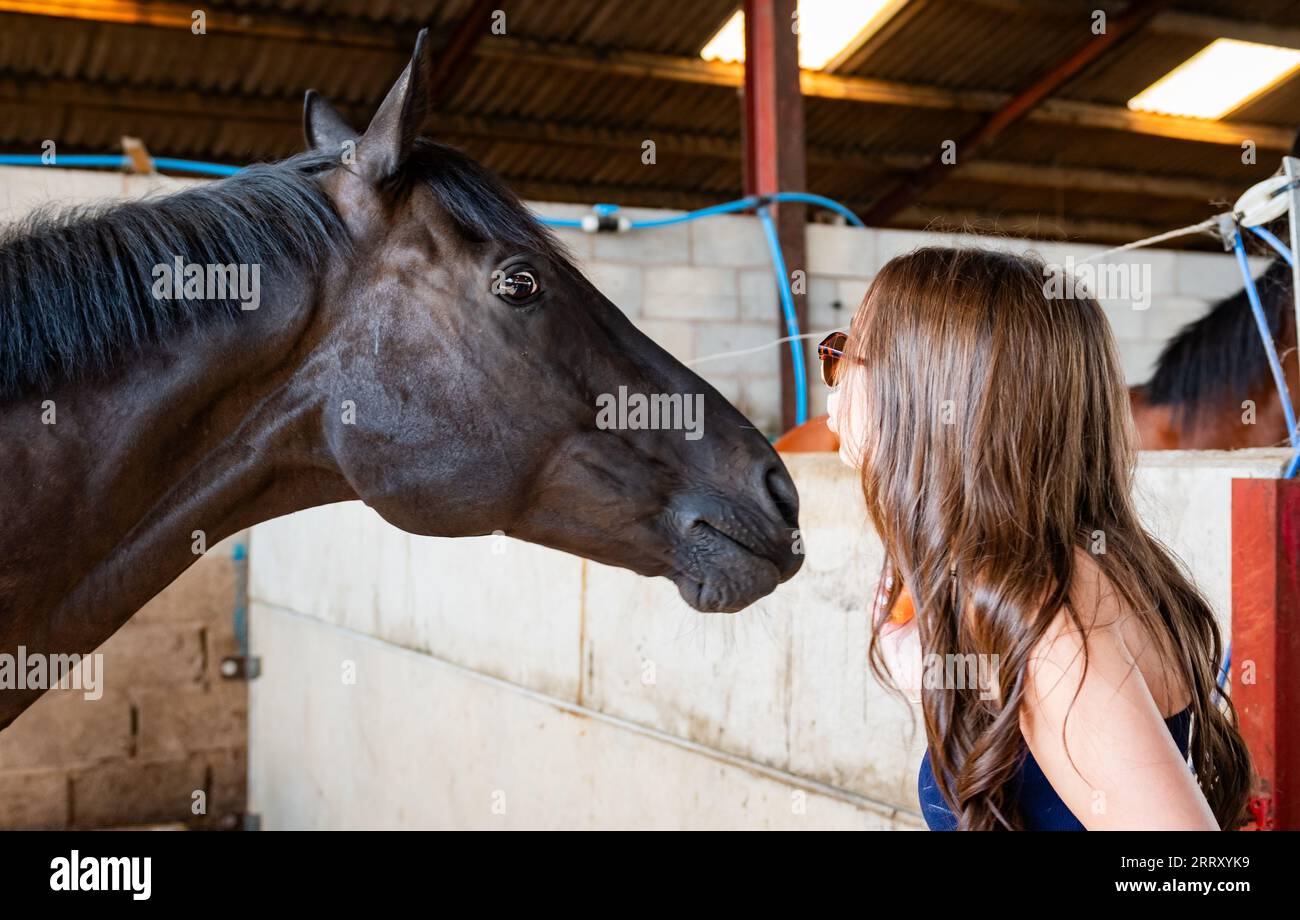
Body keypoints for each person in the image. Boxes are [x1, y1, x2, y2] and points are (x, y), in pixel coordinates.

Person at [820, 246, 1251, 831]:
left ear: (927, 390)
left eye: (846, 354)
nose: (834, 378)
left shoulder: (1049, 608)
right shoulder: (1025, 575)